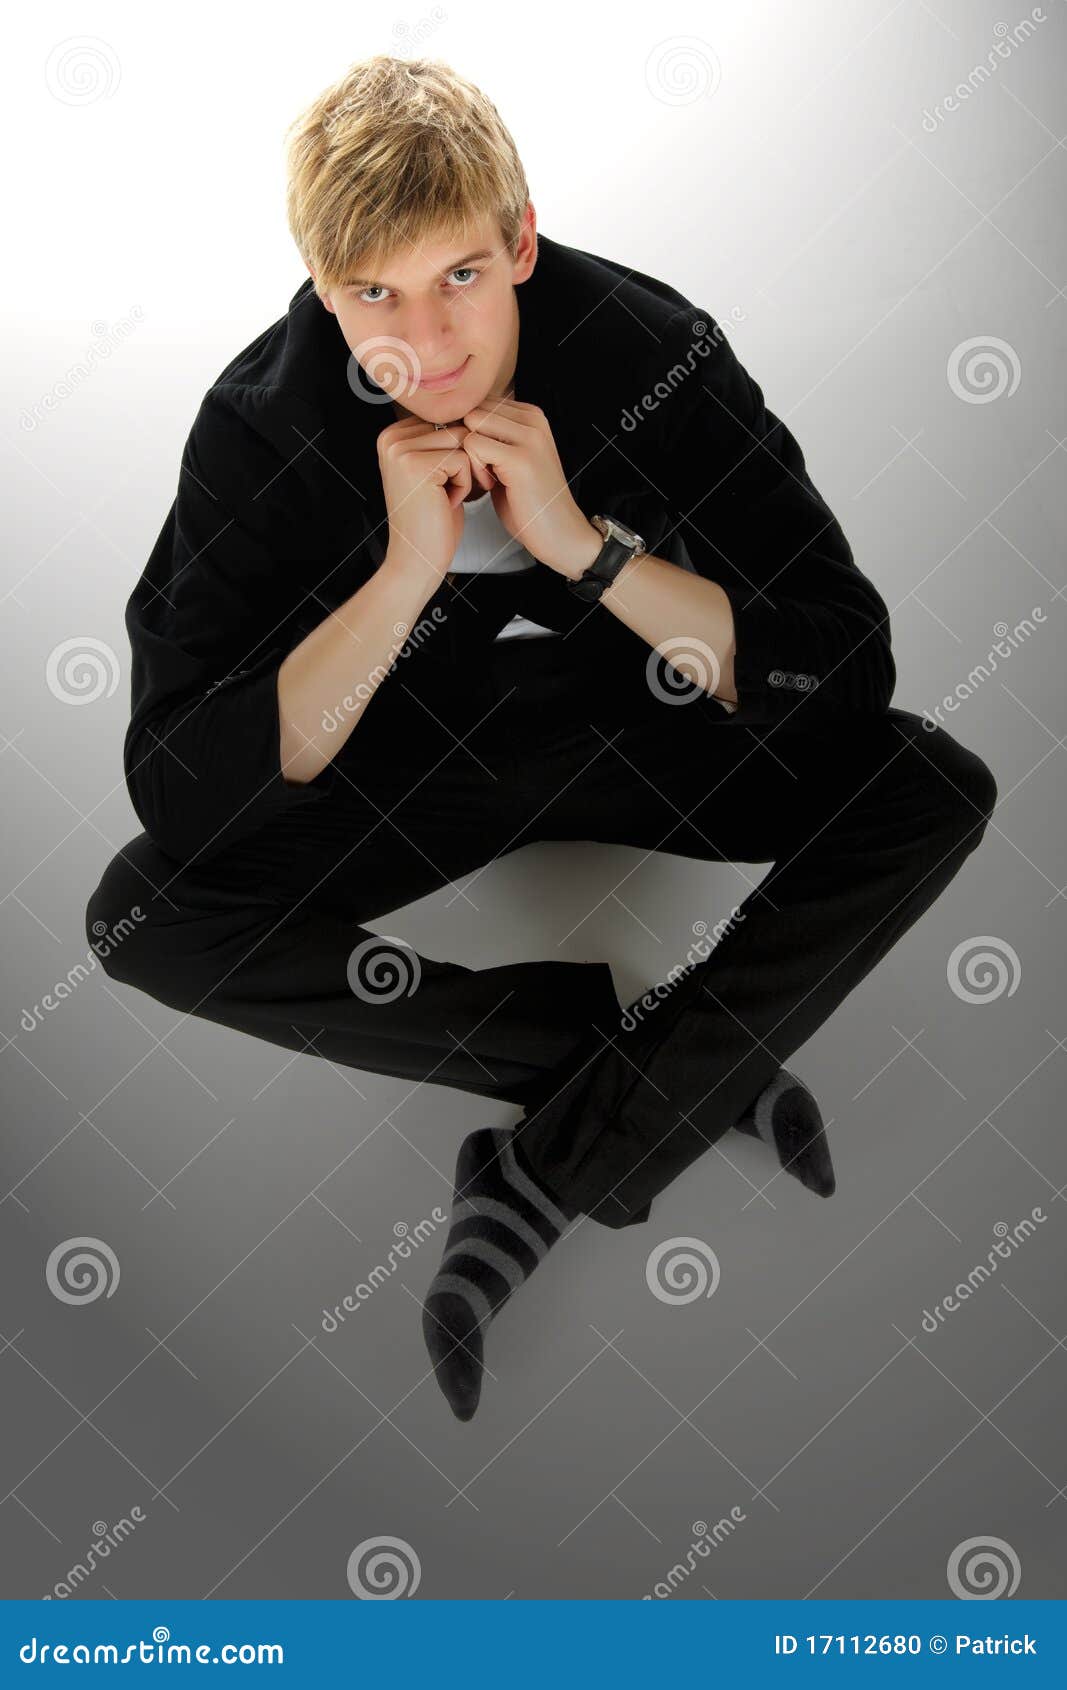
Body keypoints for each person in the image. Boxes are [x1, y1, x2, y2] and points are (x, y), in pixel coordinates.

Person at [84, 55, 997, 1421]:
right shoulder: (261, 422)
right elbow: (184, 790)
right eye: (373, 295)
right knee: (138, 915)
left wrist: (583, 545)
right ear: (323, 290)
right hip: (419, 771)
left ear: (517, 238)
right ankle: (659, 1065)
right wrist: (399, 580)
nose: (427, 342)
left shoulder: (648, 350)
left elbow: (842, 665)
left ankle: (554, 1159)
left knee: (929, 784)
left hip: (648, 723)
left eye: (458, 275)